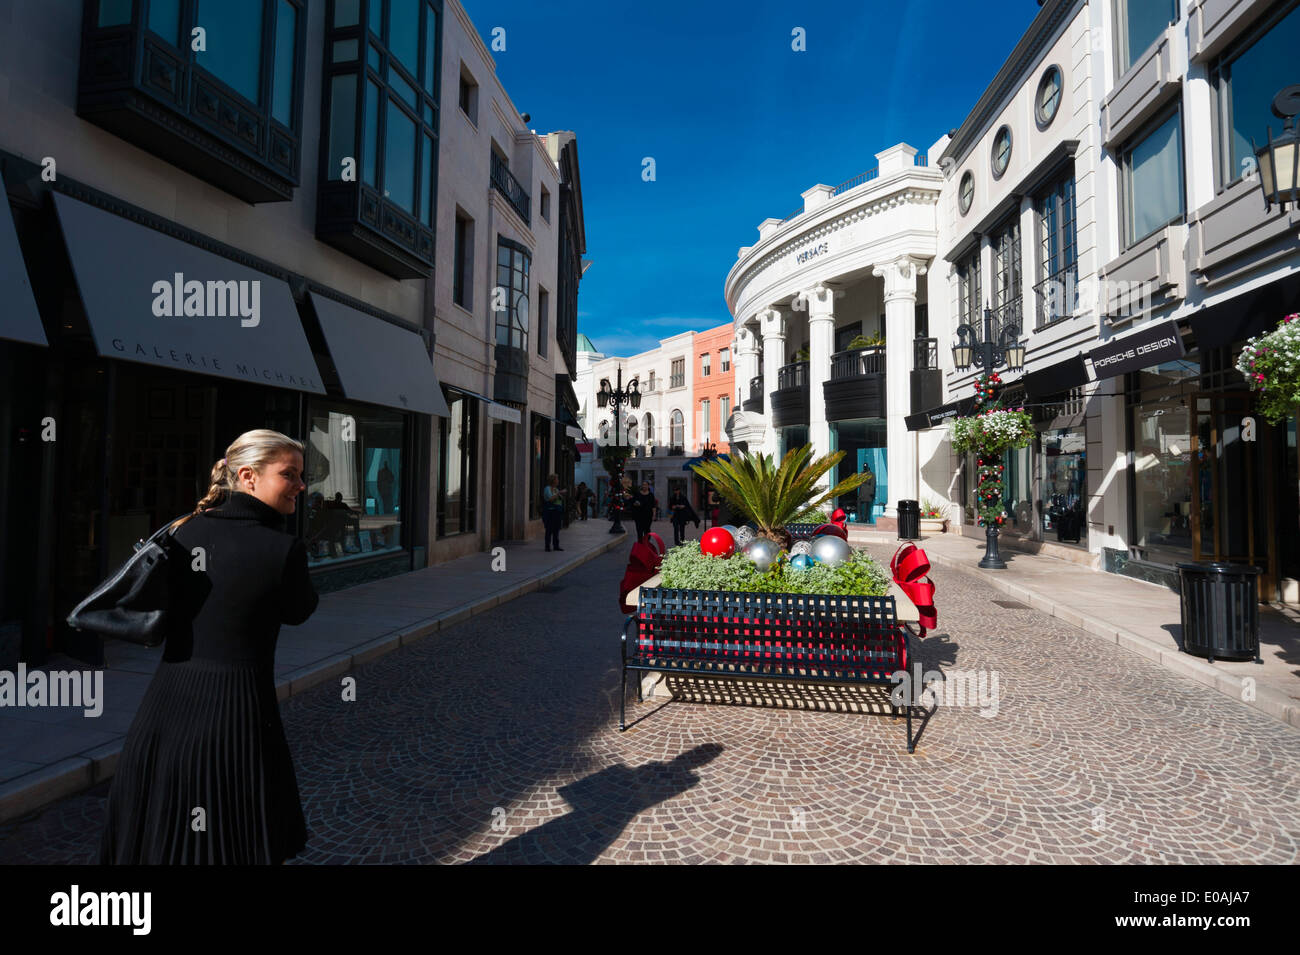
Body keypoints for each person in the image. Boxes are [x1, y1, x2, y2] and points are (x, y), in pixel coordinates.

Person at [100, 429, 319, 865]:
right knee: (232, 836)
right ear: (248, 476)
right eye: (289, 474)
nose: (301, 485)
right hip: (238, 713)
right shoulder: (282, 548)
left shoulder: (181, 531)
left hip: (164, 710)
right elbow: (299, 610)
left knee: (163, 837)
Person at [542, 473, 566, 551]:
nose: (558, 481)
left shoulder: (556, 489)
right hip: (550, 511)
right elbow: (550, 499)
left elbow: (559, 499)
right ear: (553, 480)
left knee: (556, 529)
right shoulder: (547, 488)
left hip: (557, 512)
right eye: (557, 479)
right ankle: (547, 546)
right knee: (549, 529)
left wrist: (560, 495)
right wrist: (559, 493)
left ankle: (556, 545)